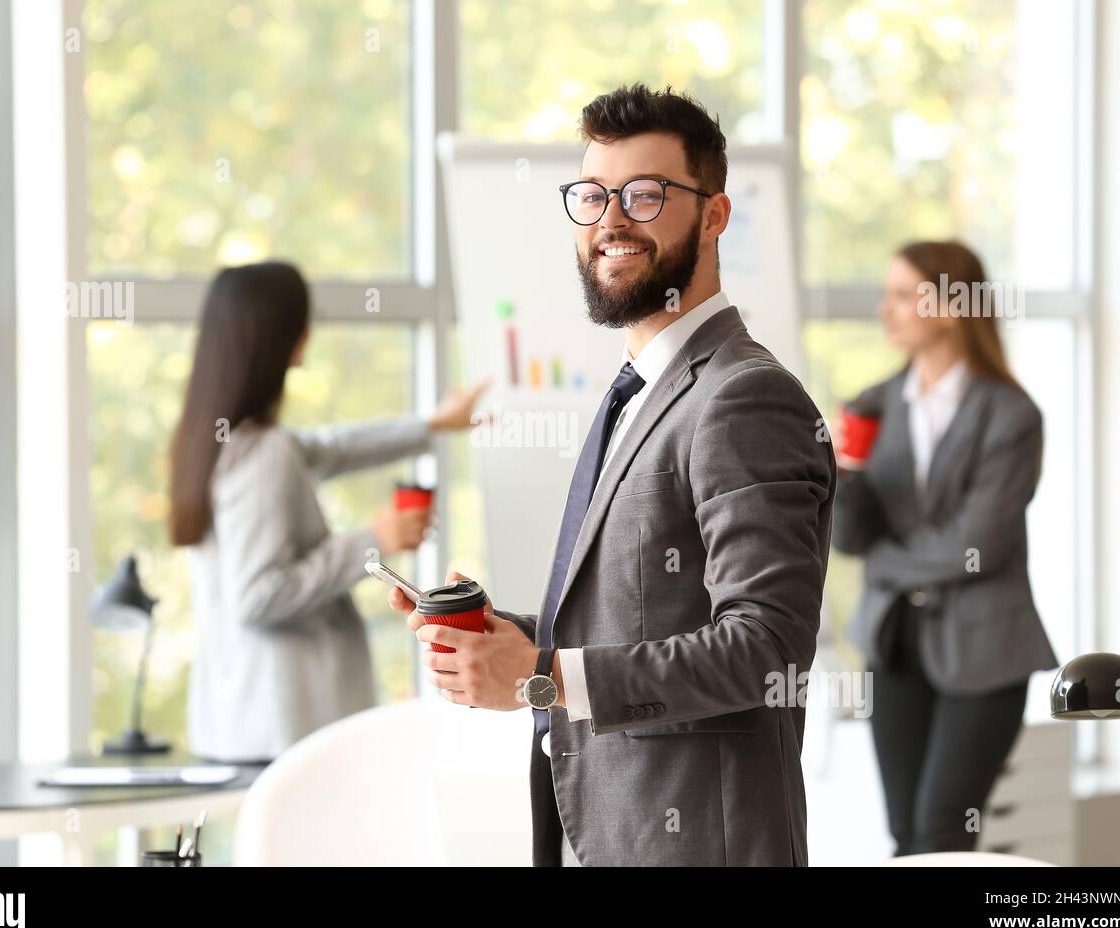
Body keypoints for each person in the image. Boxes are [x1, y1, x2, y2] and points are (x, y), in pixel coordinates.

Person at [388, 84, 836, 866]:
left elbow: (764, 650)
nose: (611, 220)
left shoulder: (744, 397)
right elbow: (640, 619)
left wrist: (538, 676)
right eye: (592, 196)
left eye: (645, 194)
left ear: (715, 215)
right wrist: (512, 637)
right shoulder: (640, 390)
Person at [170, 261, 484, 762]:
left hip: (244, 722)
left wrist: (431, 423)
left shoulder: (218, 442)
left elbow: (333, 448)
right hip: (286, 725)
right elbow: (257, 596)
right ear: (284, 335)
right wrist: (373, 540)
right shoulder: (265, 452)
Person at [831, 239, 1059, 855]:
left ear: (953, 307)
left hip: (985, 653)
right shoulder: (871, 406)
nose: (886, 311)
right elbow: (848, 539)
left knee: (943, 833)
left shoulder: (1011, 415)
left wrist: (887, 562)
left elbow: (977, 546)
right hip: (895, 646)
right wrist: (842, 472)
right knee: (907, 836)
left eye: (903, 297)